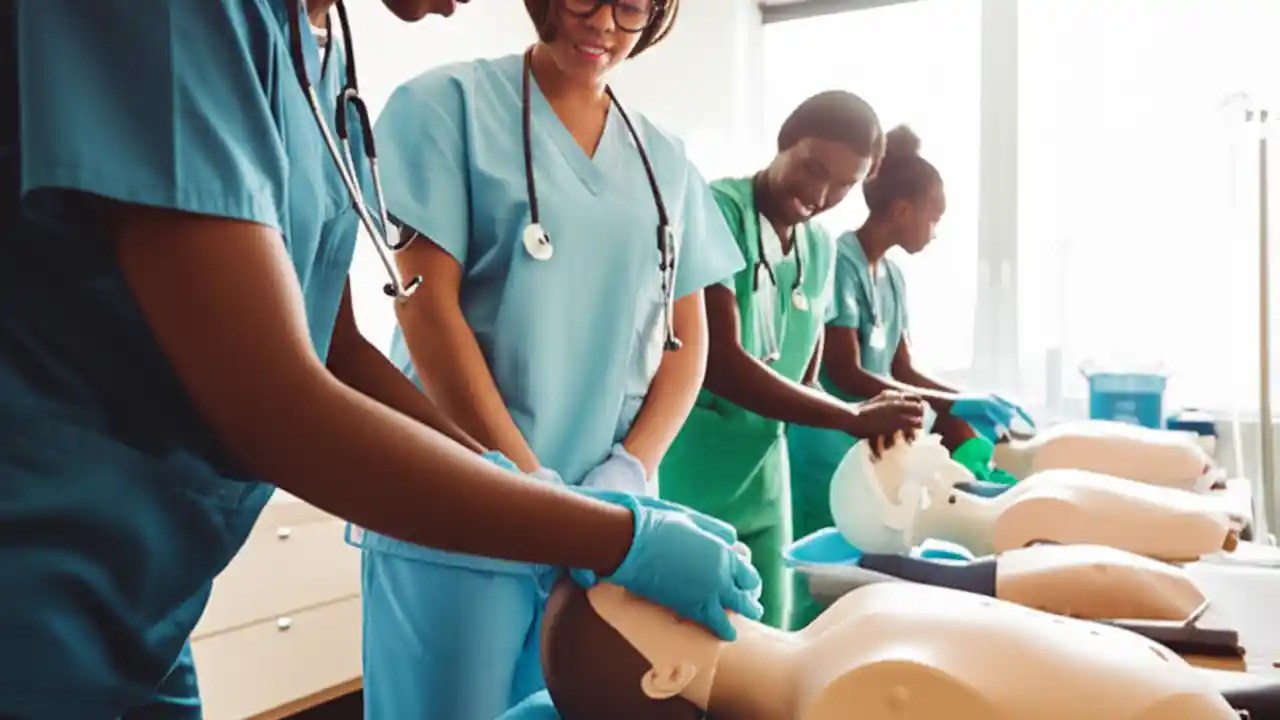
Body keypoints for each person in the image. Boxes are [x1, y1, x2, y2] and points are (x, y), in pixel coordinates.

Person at [1, 1, 762, 717]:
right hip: (39, 573)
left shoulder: (316, 50)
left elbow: (334, 350)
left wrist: (525, 487)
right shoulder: (180, 19)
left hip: (148, 599)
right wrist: (608, 535)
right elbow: (275, 403)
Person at [356, 0, 752, 716]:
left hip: (606, 524)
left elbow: (688, 341)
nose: (603, 22)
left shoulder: (666, 159)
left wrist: (629, 470)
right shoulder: (448, 107)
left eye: (631, 5)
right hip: (461, 506)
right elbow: (425, 309)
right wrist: (533, 492)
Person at [658, 92, 926, 629]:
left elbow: (806, 379)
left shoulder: (820, 249)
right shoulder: (717, 212)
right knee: (683, 644)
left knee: (768, 640)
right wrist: (850, 417)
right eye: (812, 168)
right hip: (691, 471)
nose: (820, 193)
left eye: (845, 184)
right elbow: (720, 362)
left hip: (764, 478)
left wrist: (878, 412)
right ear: (784, 142)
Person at [785, 125, 1028, 627]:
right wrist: (940, 408)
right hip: (827, 445)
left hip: (878, 449)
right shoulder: (840, 261)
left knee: (870, 581)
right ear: (902, 211)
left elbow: (902, 368)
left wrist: (965, 401)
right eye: (933, 217)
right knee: (823, 584)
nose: (934, 231)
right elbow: (846, 371)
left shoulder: (892, 276)